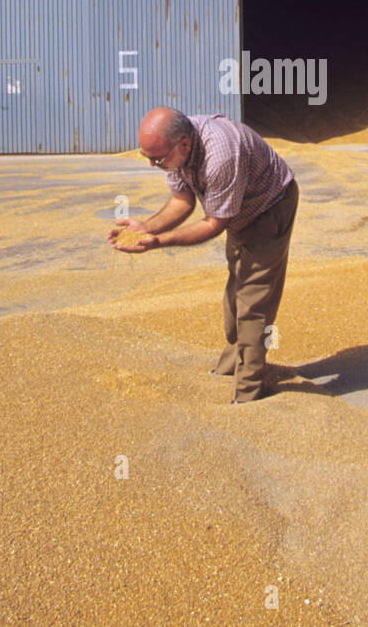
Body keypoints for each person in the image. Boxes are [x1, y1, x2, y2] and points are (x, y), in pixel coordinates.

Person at [107, 107, 299, 404]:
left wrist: (159, 241)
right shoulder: (177, 151)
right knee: (234, 298)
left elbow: (212, 224)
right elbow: (181, 202)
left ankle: (248, 394)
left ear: (184, 144)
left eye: (157, 159)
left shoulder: (221, 156)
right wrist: (146, 227)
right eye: (147, 156)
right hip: (237, 214)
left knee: (253, 302)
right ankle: (233, 363)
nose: (151, 164)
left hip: (269, 208)